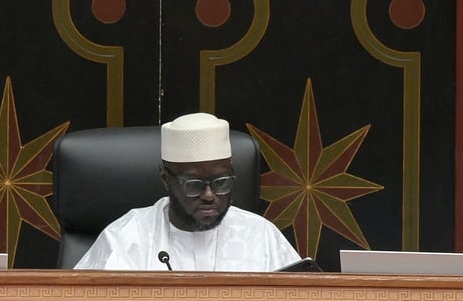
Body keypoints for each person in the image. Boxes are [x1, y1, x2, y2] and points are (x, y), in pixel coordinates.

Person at [73, 112, 301, 271]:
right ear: (166, 179)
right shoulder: (127, 236)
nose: (210, 195)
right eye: (194, 185)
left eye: (221, 182)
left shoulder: (260, 235)